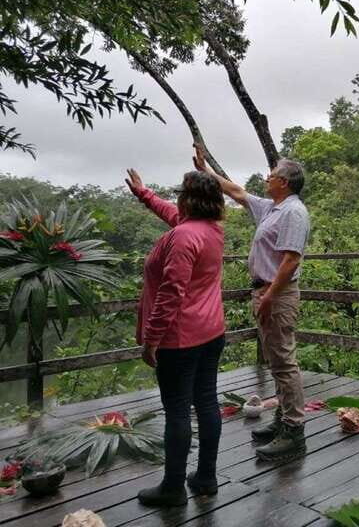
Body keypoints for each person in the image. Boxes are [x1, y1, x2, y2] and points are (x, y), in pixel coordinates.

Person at [193, 147, 311, 461]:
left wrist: (269, 297)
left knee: (284, 362)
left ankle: (294, 431)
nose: (267, 178)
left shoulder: (293, 212)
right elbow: (237, 192)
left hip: (277, 294)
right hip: (266, 292)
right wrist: (206, 171)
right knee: (276, 361)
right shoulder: (272, 208)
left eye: (272, 175)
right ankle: (283, 418)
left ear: (284, 182)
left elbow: (291, 260)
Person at [125, 169, 226, 507]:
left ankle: (172, 488)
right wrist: (144, 194)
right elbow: (173, 215)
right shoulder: (211, 229)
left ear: (187, 199)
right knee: (207, 402)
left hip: (180, 339)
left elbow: (171, 293)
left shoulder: (183, 236)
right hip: (211, 332)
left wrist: (151, 339)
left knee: (178, 411)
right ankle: (206, 477)